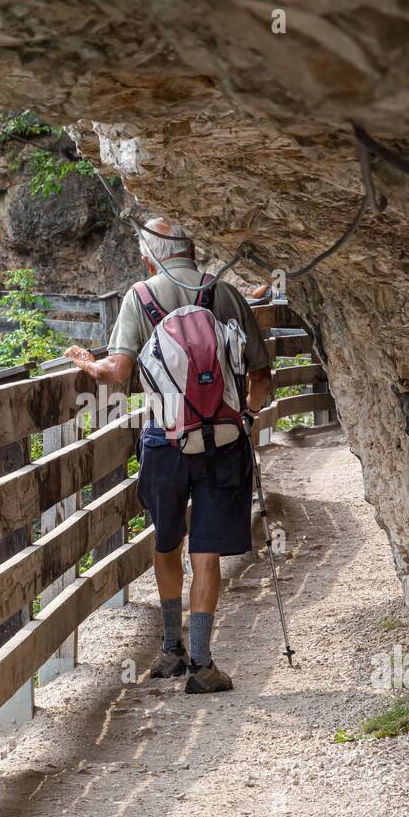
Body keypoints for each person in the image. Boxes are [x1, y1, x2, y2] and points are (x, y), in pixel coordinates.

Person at [65, 217, 272, 693]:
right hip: (221, 440)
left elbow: (118, 372)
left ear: (147, 256)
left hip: (164, 439)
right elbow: (261, 373)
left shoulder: (140, 296)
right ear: (193, 249)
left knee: (167, 538)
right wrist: (247, 416)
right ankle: (202, 665)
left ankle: (170, 649)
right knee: (205, 549)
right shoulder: (225, 293)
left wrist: (86, 363)